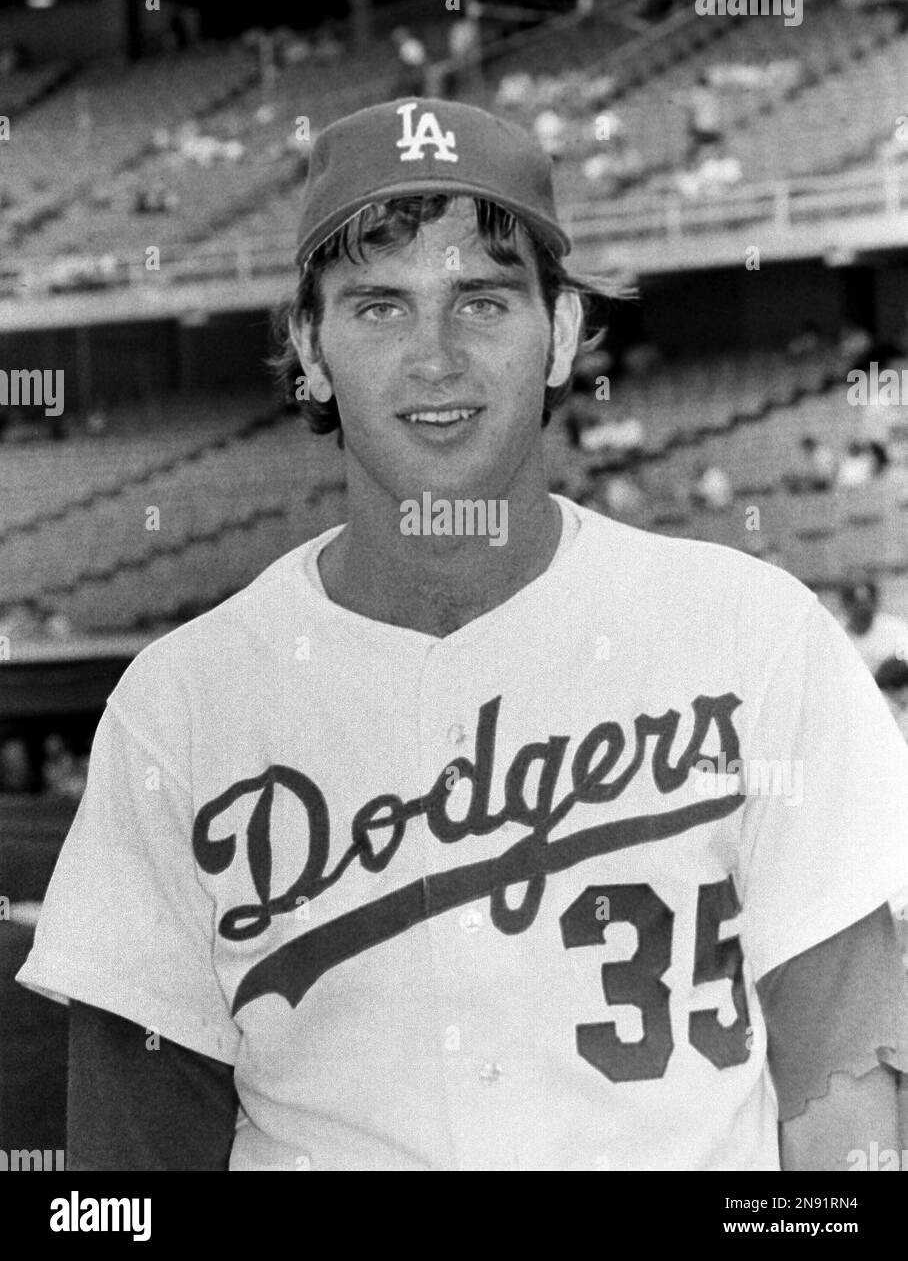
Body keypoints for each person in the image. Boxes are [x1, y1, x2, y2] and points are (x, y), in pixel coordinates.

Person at [18, 97, 908, 1172]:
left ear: (561, 334)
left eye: (481, 302)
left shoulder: (753, 636)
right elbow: (130, 1163)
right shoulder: (183, 703)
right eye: (379, 308)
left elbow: (844, 1098)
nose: (434, 357)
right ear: (309, 342)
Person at [840, 579, 908, 676]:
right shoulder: (835, 633)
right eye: (855, 603)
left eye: (866, 602)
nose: (861, 608)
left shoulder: (897, 629)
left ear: (875, 601)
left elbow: (903, 662)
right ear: (845, 604)